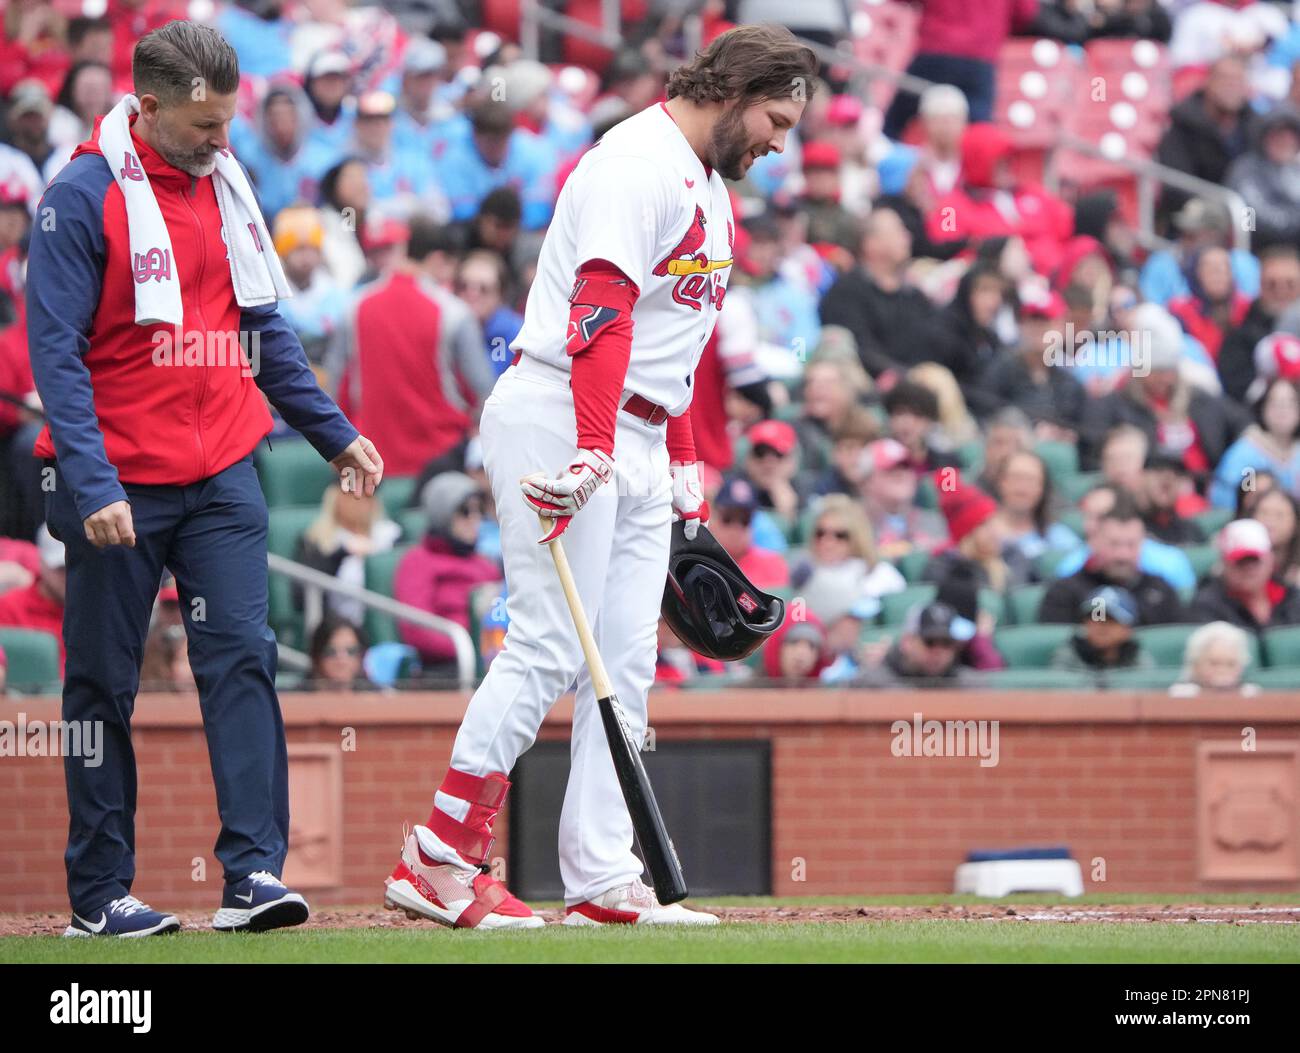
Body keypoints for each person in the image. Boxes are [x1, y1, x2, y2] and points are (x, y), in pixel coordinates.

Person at [381, 24, 817, 930]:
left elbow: (678, 340)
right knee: (544, 643)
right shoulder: (635, 161)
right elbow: (602, 314)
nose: (780, 142)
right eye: (775, 117)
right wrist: (590, 451)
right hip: (565, 411)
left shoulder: (710, 186)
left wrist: (684, 464)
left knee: (622, 658)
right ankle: (441, 856)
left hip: (643, 433)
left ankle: (601, 873)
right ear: (735, 88)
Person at [26, 22, 383, 938]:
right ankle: (101, 895)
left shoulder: (229, 188)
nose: (222, 142)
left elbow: (264, 330)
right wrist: (94, 481)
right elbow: (55, 357)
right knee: (102, 684)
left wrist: (334, 435)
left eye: (226, 124)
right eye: (202, 127)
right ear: (145, 109)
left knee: (242, 661)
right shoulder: (80, 197)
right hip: (117, 484)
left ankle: (254, 874)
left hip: (223, 465)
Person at [335, 214, 495, 476]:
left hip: (371, 464)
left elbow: (336, 390)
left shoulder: (355, 307)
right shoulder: (453, 311)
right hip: (442, 463)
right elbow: (485, 393)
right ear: (437, 259)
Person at [392, 472, 501, 678]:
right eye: (464, 511)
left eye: (478, 510)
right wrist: (473, 649)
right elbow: (417, 628)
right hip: (448, 667)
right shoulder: (417, 561)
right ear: (442, 513)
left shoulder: (486, 566)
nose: (473, 519)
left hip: (494, 660)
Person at [818, 205, 938, 380]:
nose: (907, 237)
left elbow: (931, 344)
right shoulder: (846, 293)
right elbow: (860, 350)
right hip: (865, 384)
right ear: (870, 243)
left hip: (916, 385)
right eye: (898, 231)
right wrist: (905, 376)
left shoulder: (914, 296)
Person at [1038, 495, 1187, 625]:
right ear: (1094, 543)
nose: (1122, 555)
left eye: (1131, 545)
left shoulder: (1160, 591)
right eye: (1114, 544)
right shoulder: (1065, 593)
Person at [1156, 55, 1259, 224]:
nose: (1231, 87)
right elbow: (1176, 186)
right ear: (1208, 82)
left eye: (1238, 80)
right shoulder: (1182, 125)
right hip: (1197, 218)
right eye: (1225, 79)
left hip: (1246, 217)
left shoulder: (1255, 126)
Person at [292, 483, 401, 632]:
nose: (359, 500)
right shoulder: (317, 541)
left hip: (389, 622)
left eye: (366, 494)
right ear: (335, 498)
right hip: (340, 627)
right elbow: (301, 597)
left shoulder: (392, 535)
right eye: (350, 494)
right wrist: (341, 554)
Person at [791, 494, 905, 625]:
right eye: (821, 533)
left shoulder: (881, 573)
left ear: (856, 537)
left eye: (839, 535)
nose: (827, 542)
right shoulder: (805, 573)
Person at [1217, 245, 1300, 403]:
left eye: (1290, 284)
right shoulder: (1239, 337)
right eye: (1272, 284)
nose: (1281, 291)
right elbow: (1235, 393)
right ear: (1260, 284)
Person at [1191, 518, 1300, 632]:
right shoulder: (1207, 605)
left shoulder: (1291, 597)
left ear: (1270, 559)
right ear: (1224, 563)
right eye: (1240, 561)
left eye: (1254, 560)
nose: (1249, 568)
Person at [1210, 378, 1300, 509]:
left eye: (1290, 404)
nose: (1282, 411)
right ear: (1263, 408)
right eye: (1275, 404)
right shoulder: (1246, 454)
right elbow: (1235, 497)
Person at [858, 438, 949, 560]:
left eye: (906, 467)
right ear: (866, 481)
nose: (901, 474)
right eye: (891, 469)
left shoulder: (934, 522)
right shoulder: (851, 527)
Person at [854, 601, 980, 688]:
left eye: (946, 643)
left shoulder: (970, 686)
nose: (938, 651)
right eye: (929, 642)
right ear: (906, 642)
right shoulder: (873, 684)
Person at [1225, 105, 1300, 251]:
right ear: (1264, 136)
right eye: (1278, 134)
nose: (1285, 140)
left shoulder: (1295, 170)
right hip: (1258, 248)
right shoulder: (1245, 169)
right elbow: (1250, 220)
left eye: (1290, 135)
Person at [990, 449, 1078, 567]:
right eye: (1016, 477)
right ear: (1001, 482)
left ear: (1042, 488)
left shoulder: (1057, 535)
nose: (1022, 487)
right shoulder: (980, 532)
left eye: (1031, 480)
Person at [1049, 585, 1153, 674]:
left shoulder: (1137, 657)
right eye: (1094, 618)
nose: (1100, 627)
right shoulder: (1071, 654)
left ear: (1127, 629)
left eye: (1110, 620)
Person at [1170, 620, 1259, 696]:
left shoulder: (1251, 695)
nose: (1222, 671)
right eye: (1214, 663)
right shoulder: (1180, 695)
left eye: (1231, 664)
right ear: (1195, 665)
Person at [1241, 483, 1300, 586]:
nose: (1270, 522)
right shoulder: (1236, 561)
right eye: (1264, 513)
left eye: (1279, 515)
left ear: (1296, 524)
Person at [302, 615, 375, 692]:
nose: (342, 660)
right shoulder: (294, 696)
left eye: (351, 651)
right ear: (316, 655)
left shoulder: (377, 696)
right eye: (331, 652)